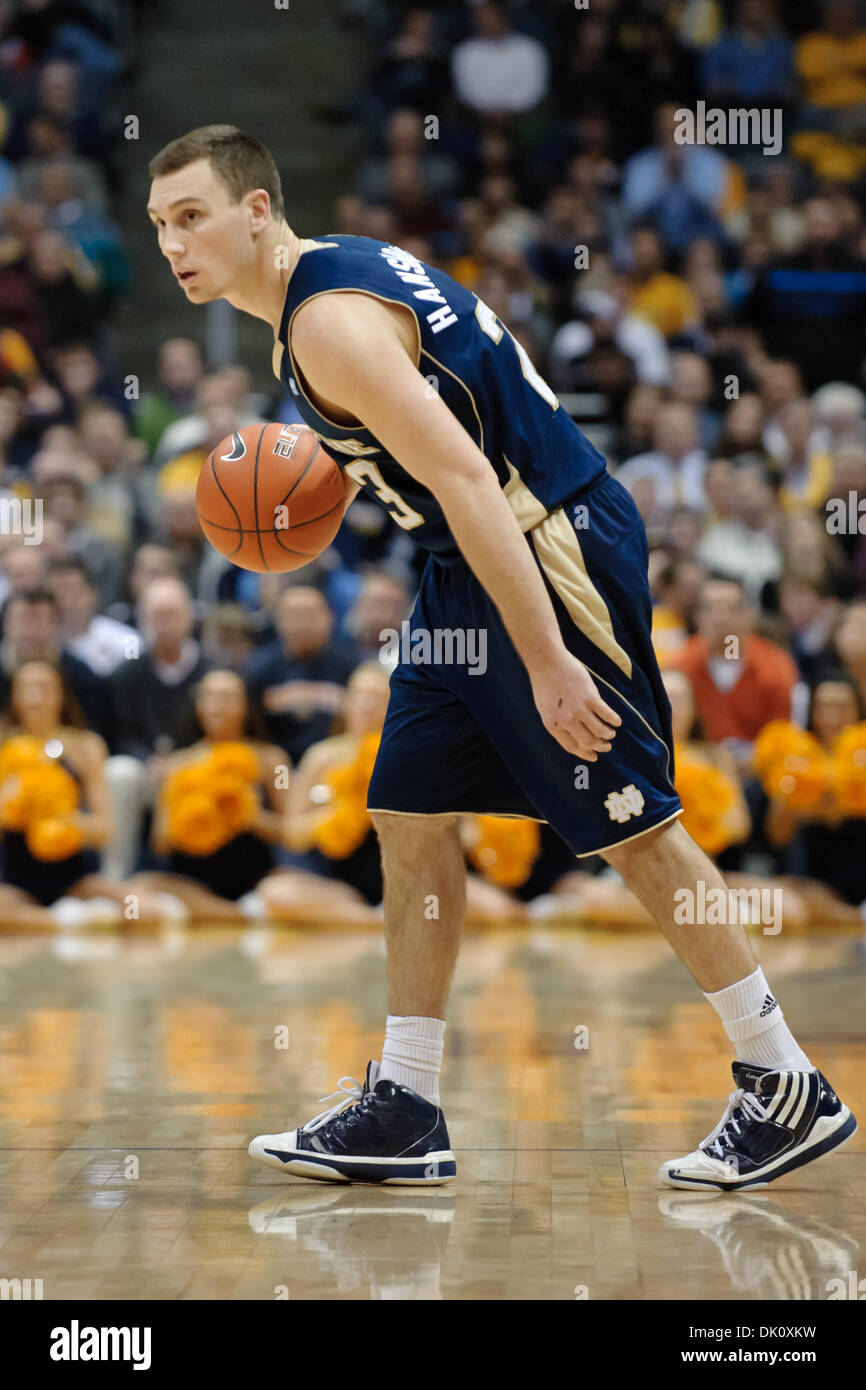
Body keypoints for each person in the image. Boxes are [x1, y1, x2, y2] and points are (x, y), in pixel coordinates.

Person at [146, 125, 856, 1191]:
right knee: (407, 809)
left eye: (191, 215)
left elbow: (473, 479)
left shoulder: (327, 324)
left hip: (539, 546)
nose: (171, 242)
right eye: (158, 225)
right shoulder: (335, 279)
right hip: (458, 569)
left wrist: (546, 660)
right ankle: (408, 1101)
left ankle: (780, 1076)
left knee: (636, 822)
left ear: (257, 210)